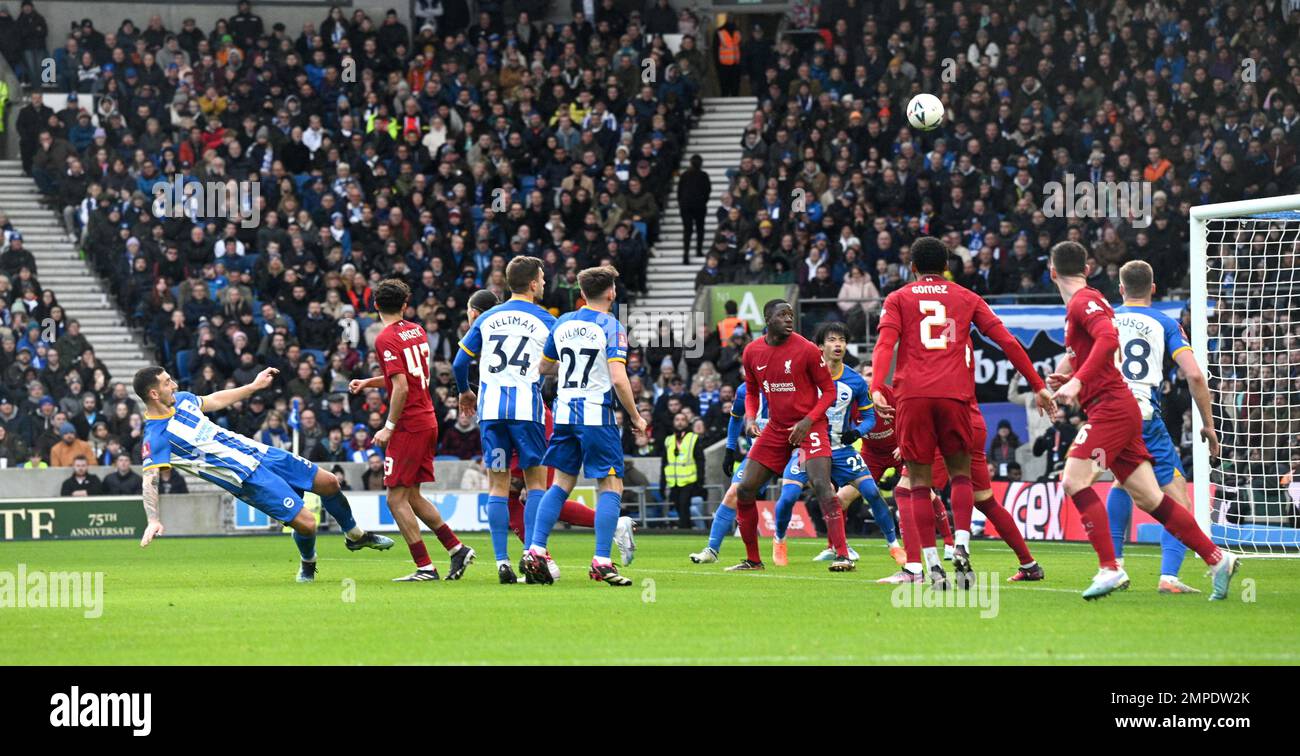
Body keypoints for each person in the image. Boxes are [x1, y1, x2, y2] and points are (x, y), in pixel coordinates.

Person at [1045, 241, 1238, 600]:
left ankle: (1110, 567)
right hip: (1132, 408)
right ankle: (1216, 558)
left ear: (1052, 272)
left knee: (1073, 479)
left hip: (1113, 408)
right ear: (1086, 269)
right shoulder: (1107, 306)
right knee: (1151, 497)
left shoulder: (1086, 303)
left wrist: (1077, 380)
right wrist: (1068, 377)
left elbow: (1106, 338)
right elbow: (1191, 374)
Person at [870, 236, 1054, 588]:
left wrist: (878, 385)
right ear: (947, 267)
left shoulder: (898, 298)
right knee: (963, 478)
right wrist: (1037, 385)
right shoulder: (968, 298)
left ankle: (928, 565)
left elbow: (885, 343)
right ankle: (964, 545)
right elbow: (1008, 341)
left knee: (915, 485)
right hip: (957, 399)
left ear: (911, 268)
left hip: (913, 398)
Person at [134, 365, 393, 582]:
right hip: (245, 477)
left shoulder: (184, 400)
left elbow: (215, 399)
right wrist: (153, 519)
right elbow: (150, 478)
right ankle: (308, 563)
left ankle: (356, 536)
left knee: (329, 482)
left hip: (261, 452)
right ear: (155, 393)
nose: (175, 385)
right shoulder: (156, 436)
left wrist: (253, 387)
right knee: (308, 524)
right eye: (168, 383)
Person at [521, 265, 648, 586]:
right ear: (611, 292)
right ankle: (602, 560)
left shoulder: (563, 322)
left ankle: (535, 550)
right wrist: (635, 416)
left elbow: (544, 367)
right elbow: (619, 378)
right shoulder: (612, 326)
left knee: (561, 484)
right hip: (596, 417)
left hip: (564, 415)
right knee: (610, 486)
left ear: (581, 293)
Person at [1108, 260, 1223, 594]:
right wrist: (1209, 424)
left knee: (1121, 483)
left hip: (1110, 415)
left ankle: (1112, 567)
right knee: (1178, 498)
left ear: (1120, 289)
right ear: (1153, 289)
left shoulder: (1105, 318)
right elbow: (1195, 375)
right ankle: (1169, 577)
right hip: (1144, 415)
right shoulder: (1165, 323)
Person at [348, 278, 474, 582]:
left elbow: (402, 387)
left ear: (375, 304)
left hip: (409, 425)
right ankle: (456, 549)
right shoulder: (416, 330)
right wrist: (369, 382)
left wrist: (389, 427)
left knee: (394, 499)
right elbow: (410, 377)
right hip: (427, 419)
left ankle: (425, 567)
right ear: (405, 305)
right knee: (413, 496)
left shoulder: (384, 338)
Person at [770, 322, 903, 566]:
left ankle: (894, 545)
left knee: (872, 492)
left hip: (841, 448)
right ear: (820, 347)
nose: (838, 344)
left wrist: (858, 432)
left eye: (841, 340)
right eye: (831, 339)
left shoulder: (855, 381)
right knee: (788, 496)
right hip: (808, 446)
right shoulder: (803, 375)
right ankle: (779, 540)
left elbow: (870, 416)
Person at [731, 298, 846, 572]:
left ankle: (842, 554)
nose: (789, 319)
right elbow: (751, 390)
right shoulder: (752, 352)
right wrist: (749, 417)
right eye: (783, 315)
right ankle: (753, 560)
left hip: (810, 426)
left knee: (821, 485)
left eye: (791, 315)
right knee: (745, 489)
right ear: (768, 319)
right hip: (776, 427)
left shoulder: (806, 349)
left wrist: (808, 421)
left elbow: (829, 392)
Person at [660, 410, 705, 530]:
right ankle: (687, 527)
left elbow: (700, 461)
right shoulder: (668, 440)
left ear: (687, 423)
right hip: (673, 481)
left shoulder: (693, 438)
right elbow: (664, 463)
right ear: (673, 422)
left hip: (689, 480)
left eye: (682, 420)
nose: (679, 422)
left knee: (684, 504)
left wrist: (700, 481)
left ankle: (684, 529)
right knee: (678, 505)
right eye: (677, 420)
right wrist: (662, 484)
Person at [676, 154, 711, 263]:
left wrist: (681, 203)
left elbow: (679, 191)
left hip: (686, 205)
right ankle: (698, 250)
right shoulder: (704, 175)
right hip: (699, 205)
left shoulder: (684, 175)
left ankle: (686, 254)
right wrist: (702, 201)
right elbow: (707, 191)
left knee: (688, 230)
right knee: (700, 228)